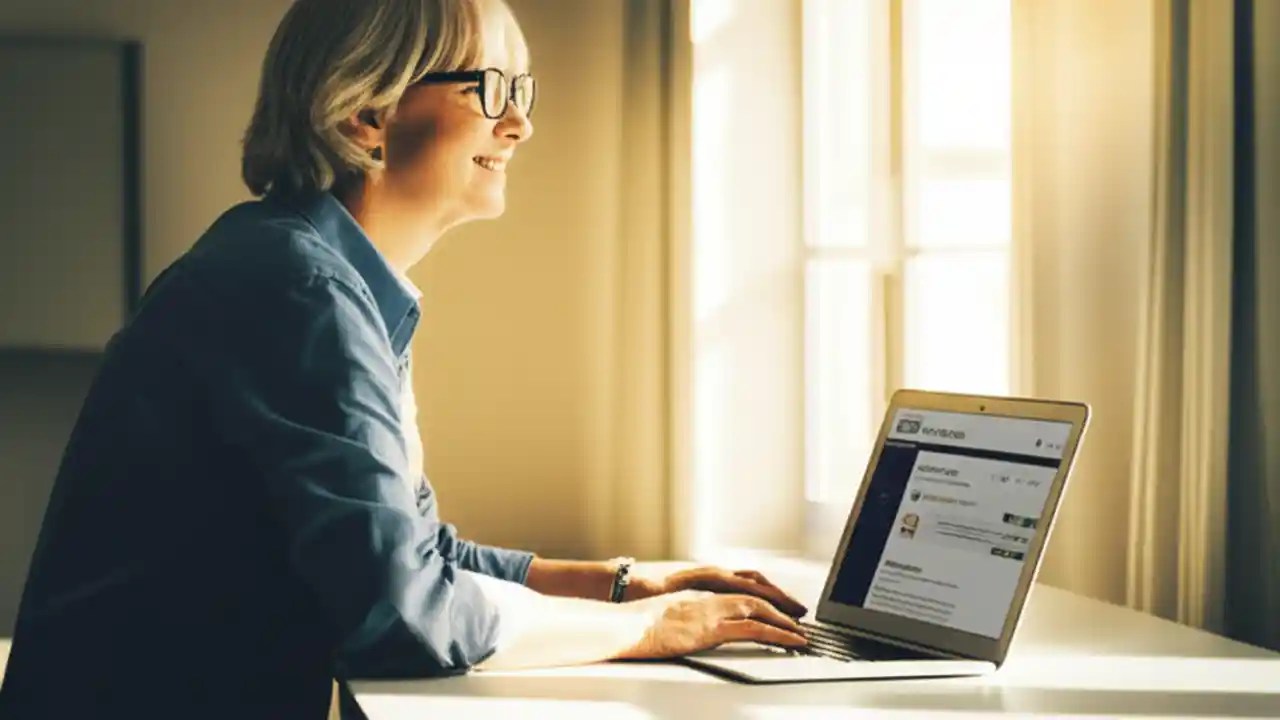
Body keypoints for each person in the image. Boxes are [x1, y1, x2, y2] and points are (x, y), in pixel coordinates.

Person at [0, 1, 807, 717]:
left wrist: (622, 585)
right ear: (367, 116)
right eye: (490, 89)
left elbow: (419, 554)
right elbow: (404, 609)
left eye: (522, 93)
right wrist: (648, 629)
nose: (519, 124)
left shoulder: (310, 271)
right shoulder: (298, 290)